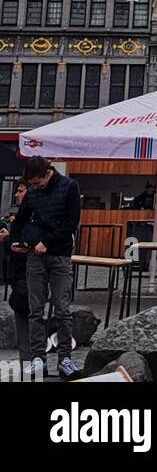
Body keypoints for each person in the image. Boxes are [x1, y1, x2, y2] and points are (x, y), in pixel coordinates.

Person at [17, 155, 80, 380]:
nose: (34, 187)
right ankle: (37, 358)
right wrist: (17, 240)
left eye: (37, 182)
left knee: (62, 309)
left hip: (60, 254)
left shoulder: (69, 186)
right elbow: (21, 218)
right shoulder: (33, 192)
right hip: (35, 255)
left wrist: (48, 242)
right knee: (35, 309)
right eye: (31, 184)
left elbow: (72, 221)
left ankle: (65, 358)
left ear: (47, 174)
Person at [0, 182, 32, 376]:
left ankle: (30, 360)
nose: (17, 195)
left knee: (26, 312)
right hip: (18, 274)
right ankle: (27, 360)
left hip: (28, 274)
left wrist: (8, 238)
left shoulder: (32, 214)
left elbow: (22, 246)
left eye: (20, 191)